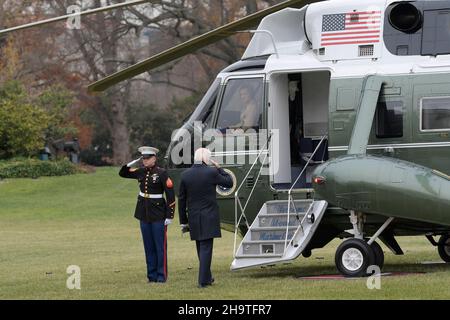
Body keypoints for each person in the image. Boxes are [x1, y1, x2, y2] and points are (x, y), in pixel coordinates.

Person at [119, 146, 176, 283]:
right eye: (143, 158)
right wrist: (133, 162)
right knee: (148, 246)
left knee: (159, 247)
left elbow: (170, 196)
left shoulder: (162, 173)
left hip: (158, 214)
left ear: (154, 158)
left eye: (147, 158)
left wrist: (169, 216)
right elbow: (123, 173)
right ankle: (151, 276)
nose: (145, 161)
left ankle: (161, 276)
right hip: (143, 213)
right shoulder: (141, 171)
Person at [178, 148, 233, 288]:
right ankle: (203, 281)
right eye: (209, 158)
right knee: (206, 248)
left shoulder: (185, 175)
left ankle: (207, 277)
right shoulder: (212, 172)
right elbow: (229, 182)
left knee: (200, 247)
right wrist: (220, 168)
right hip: (209, 216)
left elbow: (182, 200)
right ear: (204, 158)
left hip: (194, 217)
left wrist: (183, 221)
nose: (210, 160)